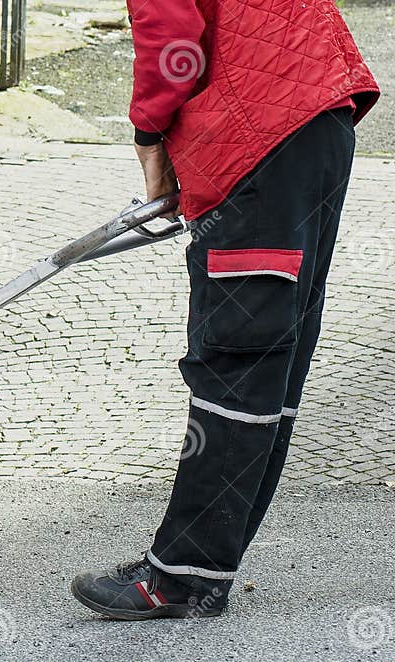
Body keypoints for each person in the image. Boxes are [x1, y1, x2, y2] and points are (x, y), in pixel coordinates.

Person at [70, 0, 380, 619]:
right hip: (316, 117)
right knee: (273, 351)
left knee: (239, 352)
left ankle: (184, 579)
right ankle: (201, 567)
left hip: (260, 131)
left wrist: (150, 135)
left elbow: (172, 36)